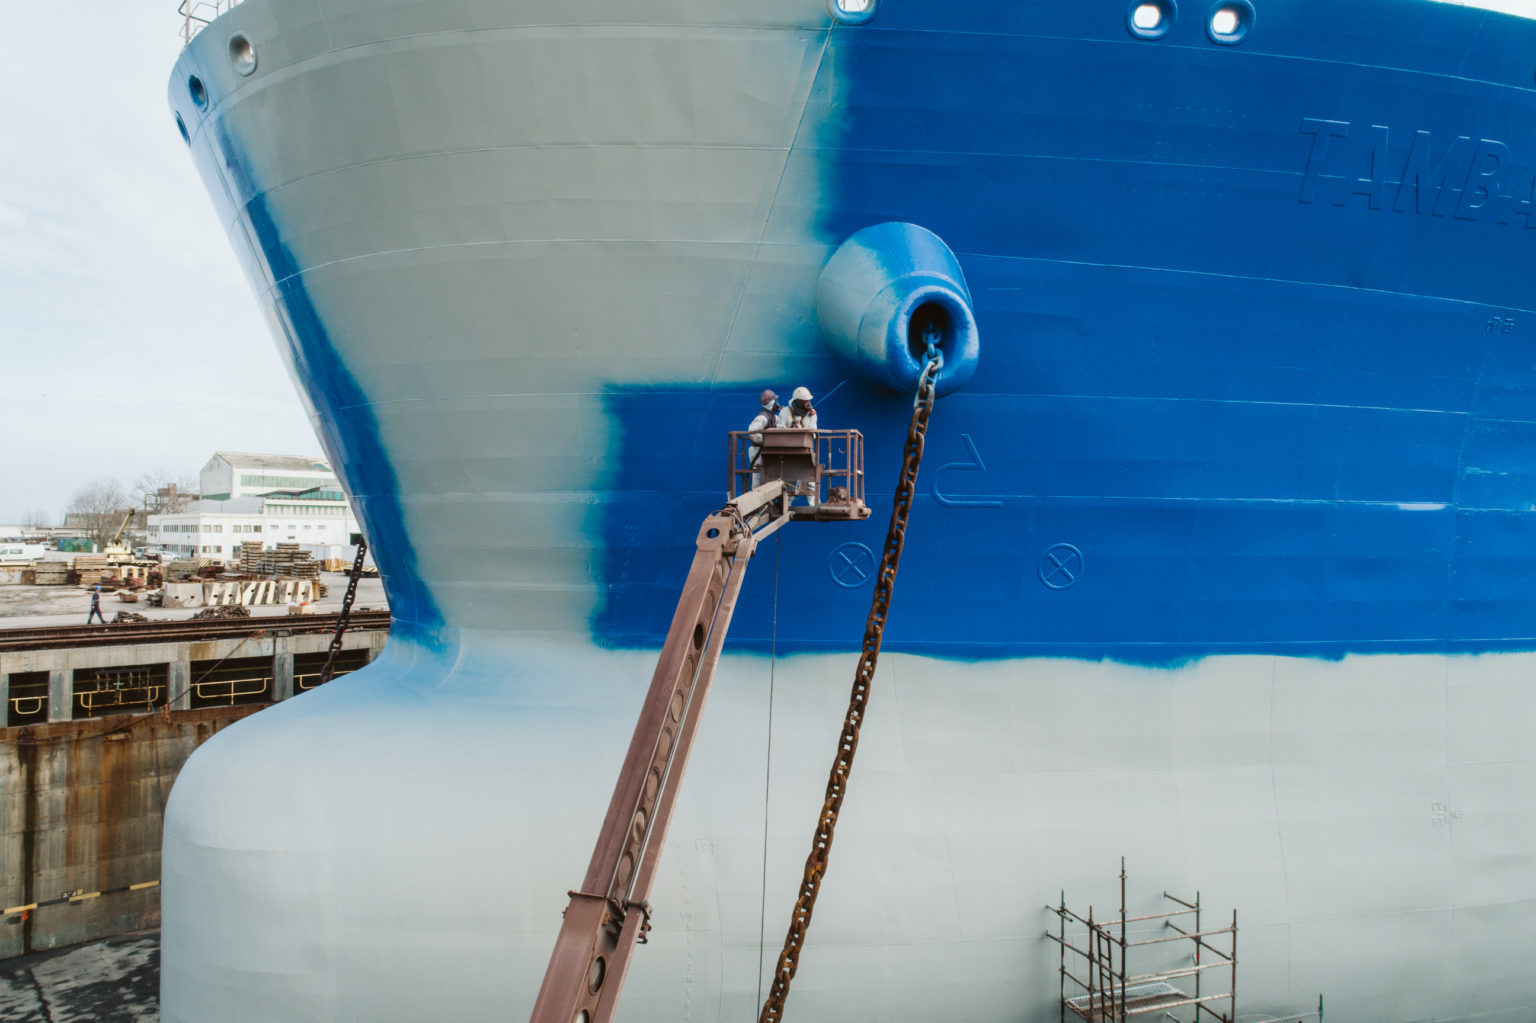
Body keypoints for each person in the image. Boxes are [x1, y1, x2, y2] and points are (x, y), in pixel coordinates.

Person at [746, 388, 780, 489]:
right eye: (775, 401)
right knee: (757, 476)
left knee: (767, 476)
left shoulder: (774, 417)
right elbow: (753, 433)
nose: (777, 404)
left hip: (766, 451)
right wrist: (768, 441)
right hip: (758, 451)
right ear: (770, 403)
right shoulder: (762, 417)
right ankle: (756, 501)